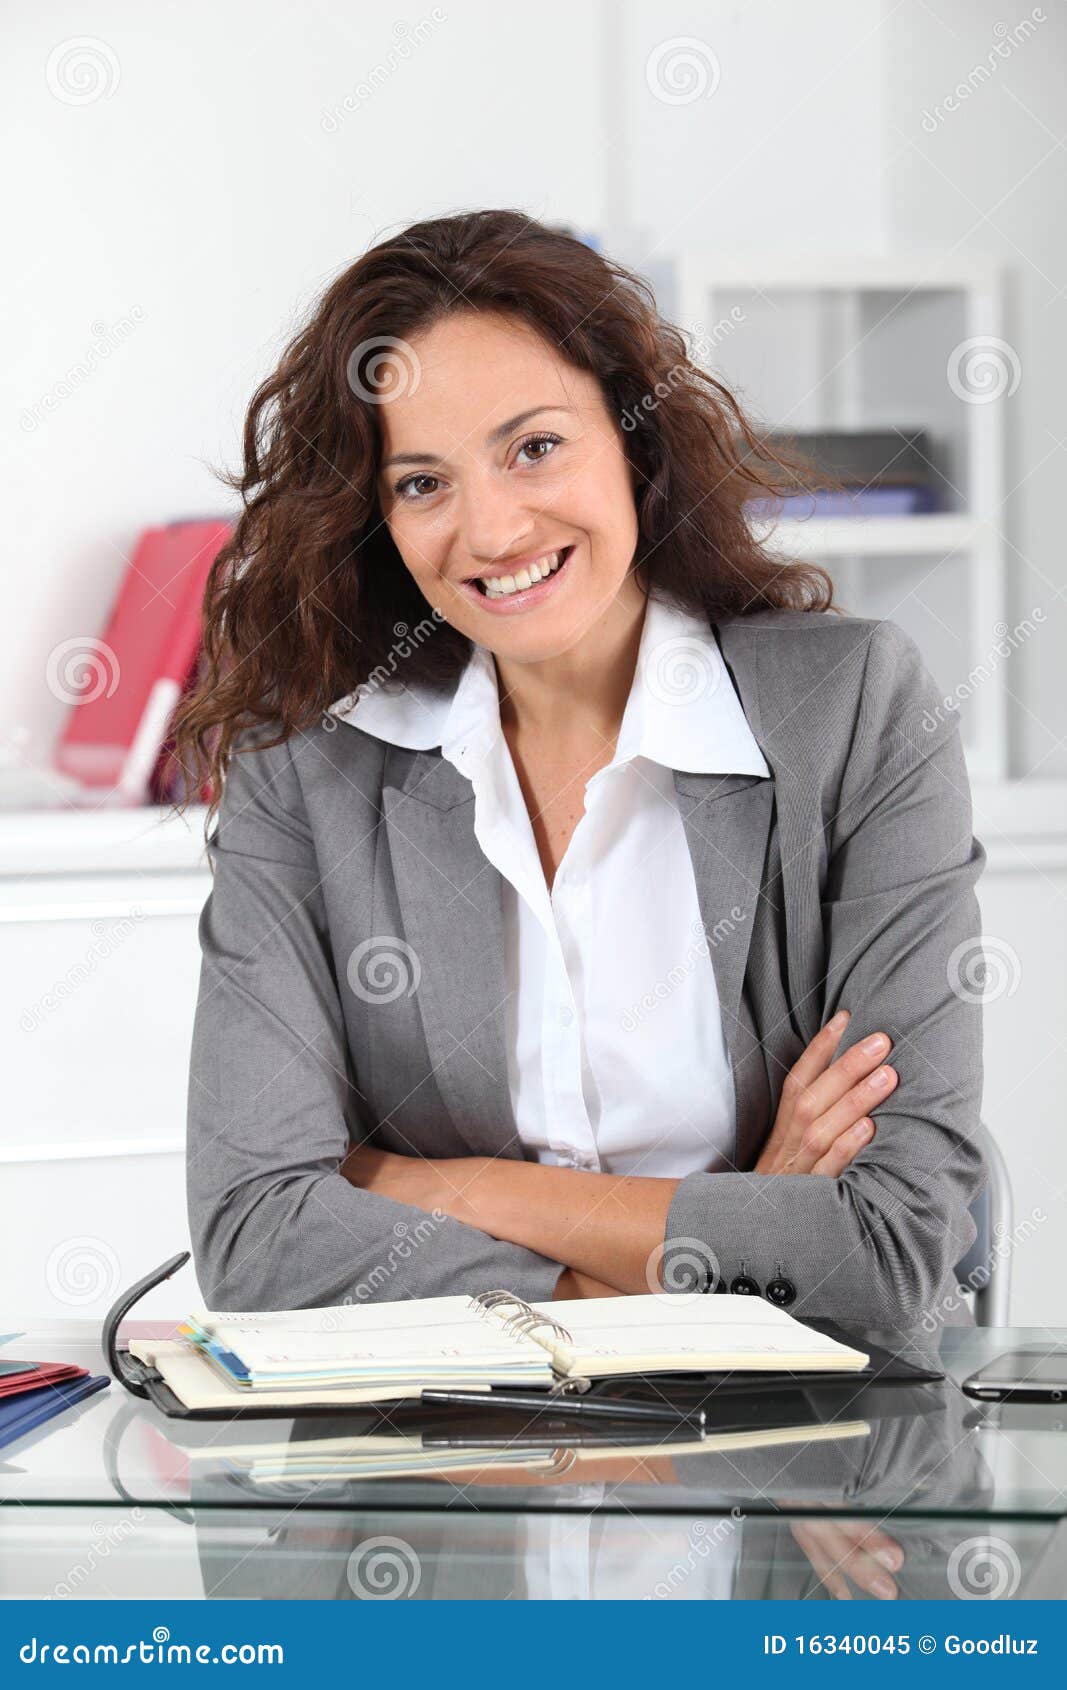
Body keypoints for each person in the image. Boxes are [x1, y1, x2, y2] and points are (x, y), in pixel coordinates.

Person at [176, 209, 986, 1325]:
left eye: (535, 447)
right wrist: (732, 1233)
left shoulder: (849, 713)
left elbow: (891, 1248)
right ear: (375, 519)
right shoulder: (307, 773)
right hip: (446, 1461)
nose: (492, 529)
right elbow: (254, 1236)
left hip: (802, 1462)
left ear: (633, 439)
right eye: (421, 483)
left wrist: (423, 1186)